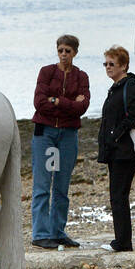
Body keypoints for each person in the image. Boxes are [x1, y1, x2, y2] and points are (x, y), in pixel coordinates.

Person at [30, 35, 90, 249]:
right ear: (57, 51)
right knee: (43, 185)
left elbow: (82, 108)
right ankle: (40, 233)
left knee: (62, 186)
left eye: (68, 51)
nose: (64, 54)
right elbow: (39, 103)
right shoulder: (46, 72)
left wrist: (56, 101)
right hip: (45, 134)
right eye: (61, 50)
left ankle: (57, 231)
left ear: (75, 52)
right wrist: (68, 103)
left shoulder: (81, 76)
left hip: (67, 135)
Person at [96, 45, 135, 252]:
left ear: (123, 66)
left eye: (112, 64)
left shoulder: (130, 86)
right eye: (105, 64)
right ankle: (121, 240)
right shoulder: (116, 87)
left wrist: (116, 134)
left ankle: (123, 242)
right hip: (115, 152)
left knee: (118, 196)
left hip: (125, 152)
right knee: (117, 196)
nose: (107, 67)